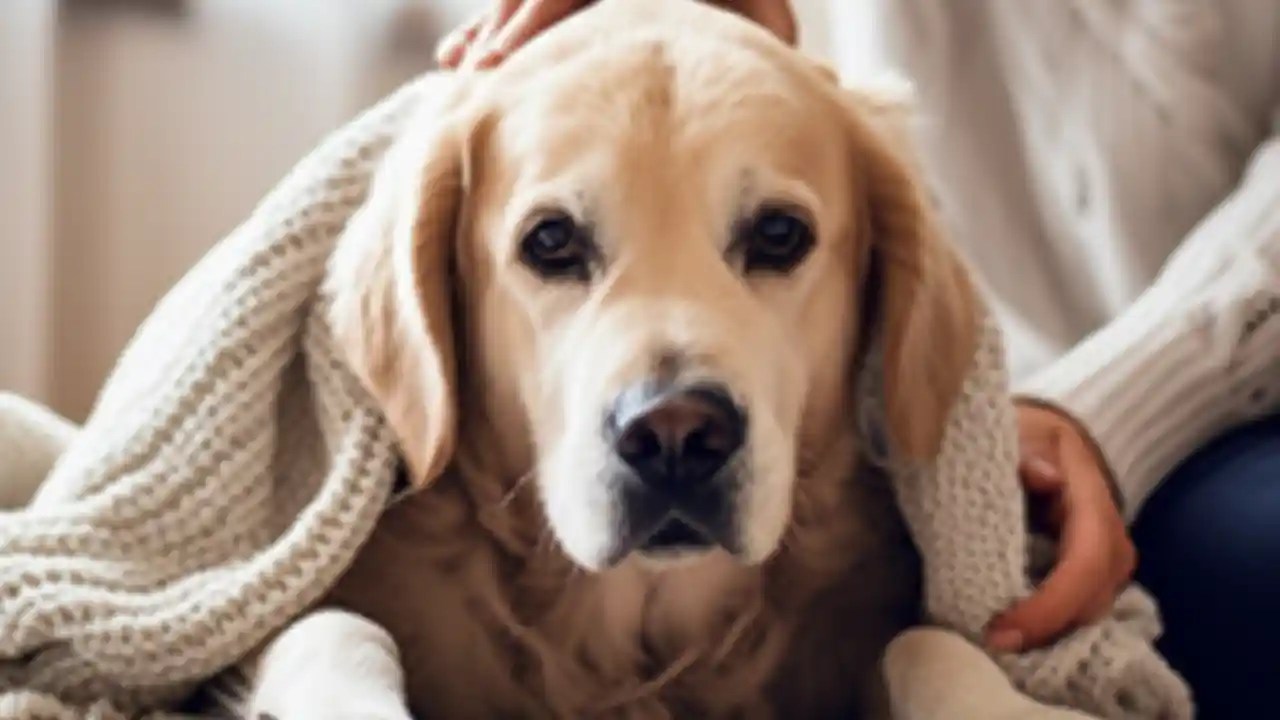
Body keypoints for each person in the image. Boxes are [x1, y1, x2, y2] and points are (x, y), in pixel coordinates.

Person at [435, 2, 1280, 717]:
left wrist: (1116, 403)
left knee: (1239, 577)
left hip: (1221, 381)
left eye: (776, 237)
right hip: (946, 384)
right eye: (551, 245)